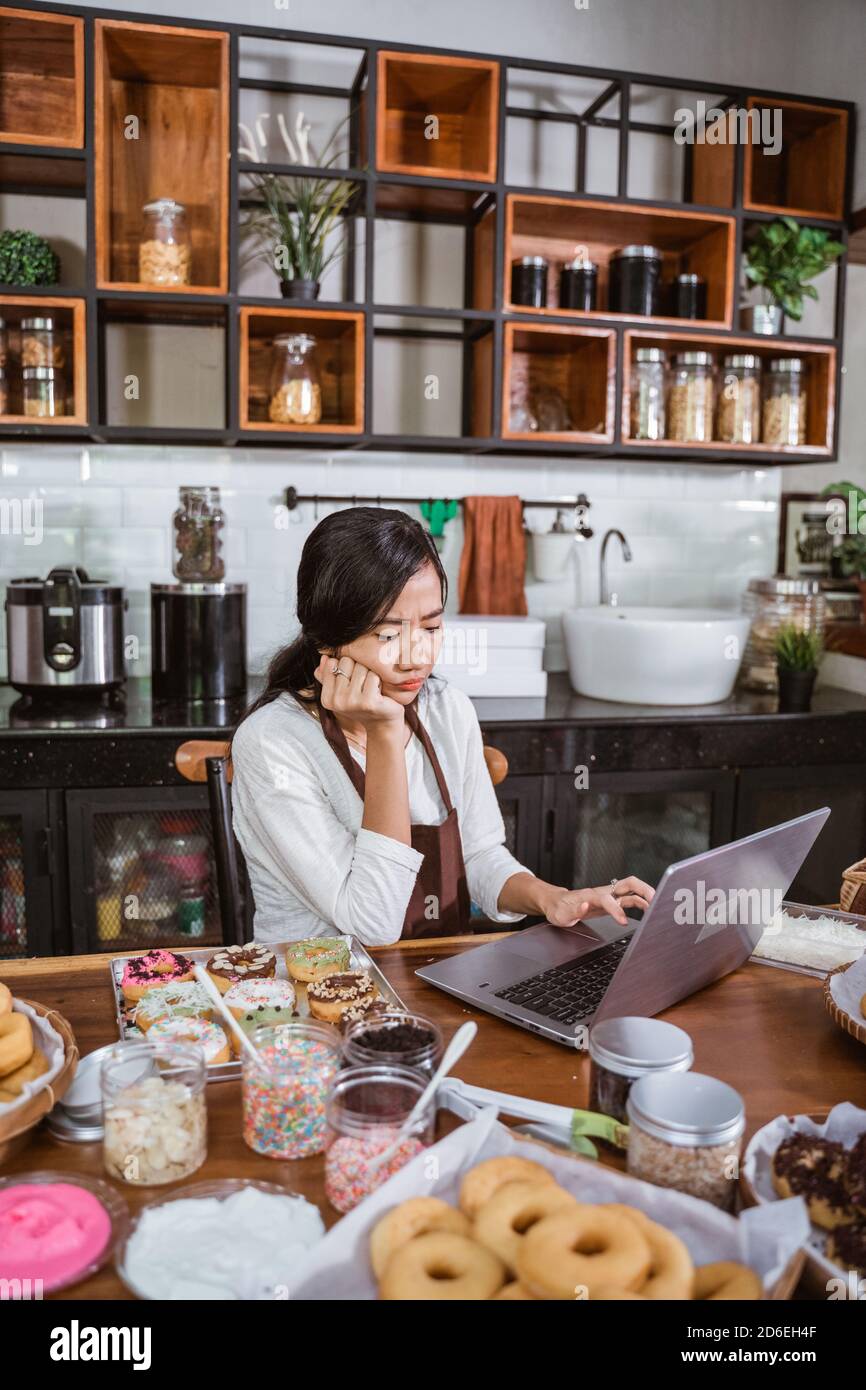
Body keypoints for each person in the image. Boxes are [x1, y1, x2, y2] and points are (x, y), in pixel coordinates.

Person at [231, 506, 654, 944]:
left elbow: (481, 855)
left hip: (436, 980)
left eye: (431, 627)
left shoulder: (447, 709)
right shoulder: (273, 743)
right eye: (389, 635)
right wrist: (387, 735)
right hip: (314, 995)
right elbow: (373, 923)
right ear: (326, 641)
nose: (416, 656)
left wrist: (552, 898)